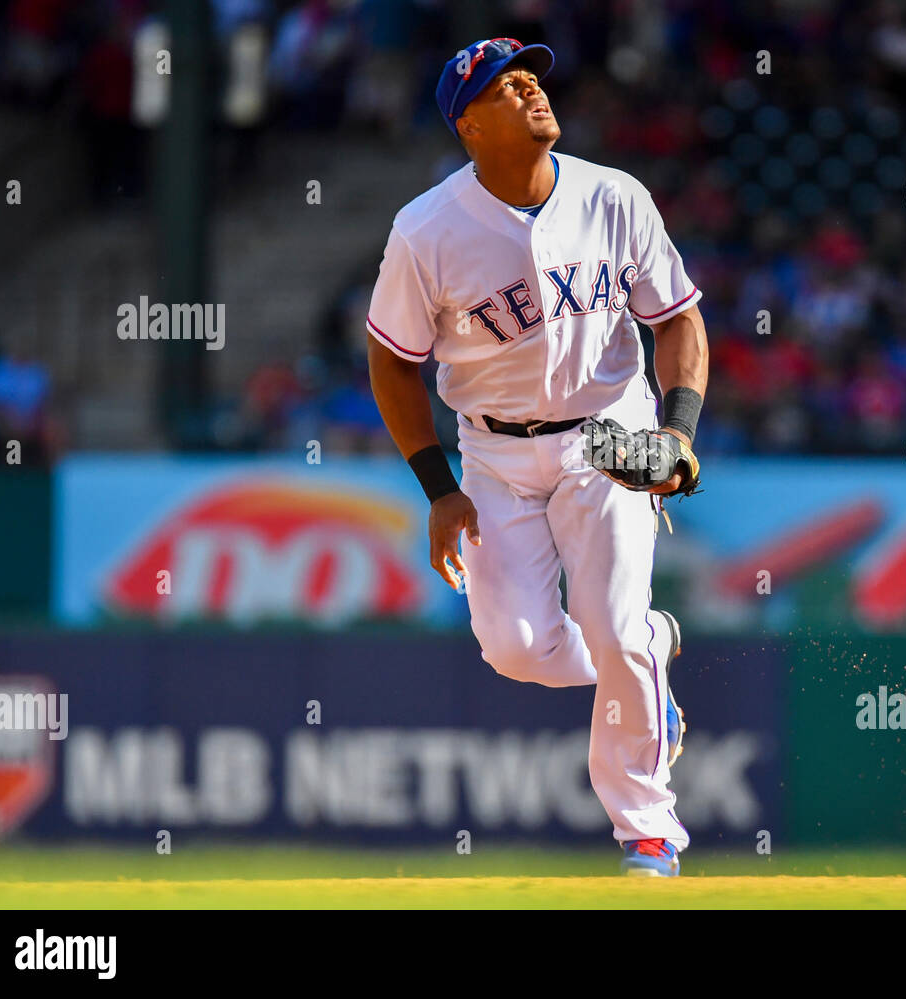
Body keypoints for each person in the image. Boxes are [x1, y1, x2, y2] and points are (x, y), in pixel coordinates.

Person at [366, 38, 709, 876]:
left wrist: (680, 429)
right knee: (517, 648)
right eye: (503, 86)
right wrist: (438, 489)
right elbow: (391, 361)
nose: (529, 90)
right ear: (470, 125)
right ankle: (646, 645)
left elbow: (677, 318)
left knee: (613, 624)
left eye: (531, 78)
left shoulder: (615, 196)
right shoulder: (426, 230)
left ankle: (649, 833)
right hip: (492, 447)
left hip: (608, 433)